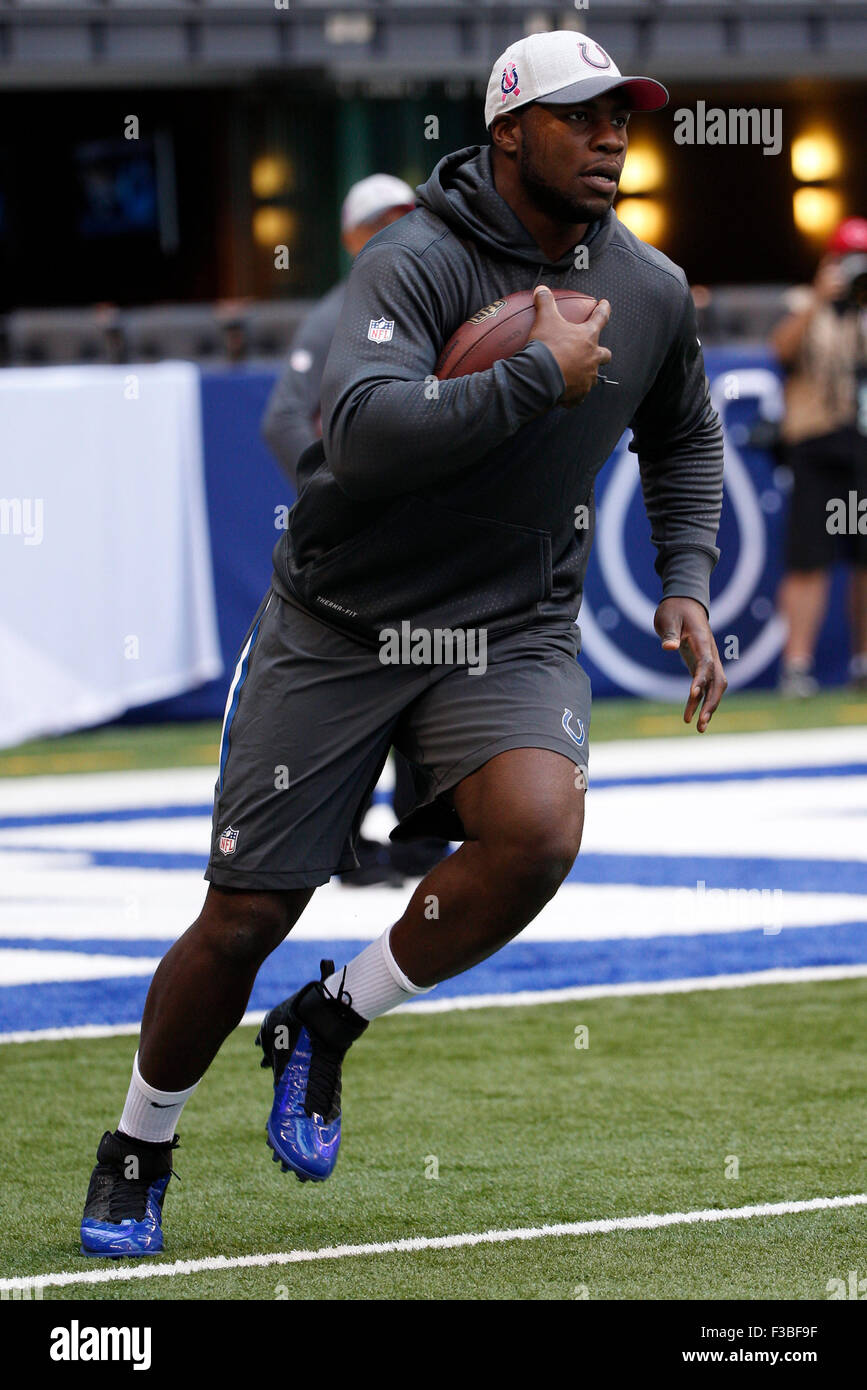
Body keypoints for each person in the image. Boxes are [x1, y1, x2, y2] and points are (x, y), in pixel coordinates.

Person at [79, 29, 726, 1257]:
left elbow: (685, 438)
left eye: (621, 117)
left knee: (537, 830)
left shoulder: (651, 286)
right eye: (580, 116)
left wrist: (685, 579)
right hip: (342, 622)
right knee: (244, 916)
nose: (610, 137)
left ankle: (329, 1019)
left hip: (509, 622)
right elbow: (363, 437)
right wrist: (537, 375)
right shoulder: (413, 265)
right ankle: (139, 1142)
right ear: (507, 133)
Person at [262, 172, 447, 884]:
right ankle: (337, 837)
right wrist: (336, 493)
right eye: (382, 221)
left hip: (426, 535)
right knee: (351, 691)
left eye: (407, 217)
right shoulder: (335, 313)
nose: (398, 230)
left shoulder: (438, 302)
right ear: (350, 237)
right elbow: (281, 418)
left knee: (429, 678)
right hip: (363, 541)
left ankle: (420, 838)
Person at [773, 217, 867, 696]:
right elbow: (780, 349)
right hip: (813, 444)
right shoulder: (804, 301)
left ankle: (863, 663)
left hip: (861, 444)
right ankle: (797, 666)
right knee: (808, 558)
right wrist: (818, 298)